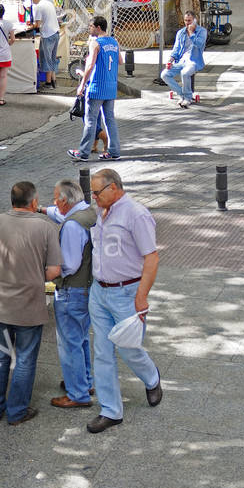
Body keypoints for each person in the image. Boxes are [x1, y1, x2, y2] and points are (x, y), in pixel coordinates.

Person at [85, 169, 162, 433]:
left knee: (129, 348)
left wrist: (142, 296)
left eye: (97, 192)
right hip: (99, 291)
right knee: (102, 351)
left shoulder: (136, 214)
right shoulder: (101, 211)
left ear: (114, 188)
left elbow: (151, 258)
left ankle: (151, 377)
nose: (94, 197)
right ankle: (110, 411)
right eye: (92, 193)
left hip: (126, 293)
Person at [0, 181, 62, 426]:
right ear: (35, 202)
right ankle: (17, 411)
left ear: (12, 201)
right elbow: (54, 270)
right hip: (28, 304)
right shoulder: (46, 228)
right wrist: (34, 276)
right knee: (25, 358)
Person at [46, 180, 96, 409]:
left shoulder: (72, 226)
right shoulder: (87, 213)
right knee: (82, 337)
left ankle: (77, 394)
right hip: (87, 287)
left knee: (69, 343)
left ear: (64, 200)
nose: (55, 202)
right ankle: (84, 382)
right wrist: (41, 210)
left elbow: (70, 264)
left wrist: (52, 274)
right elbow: (59, 215)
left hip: (71, 290)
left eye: (56, 198)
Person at [69, 15, 121, 161]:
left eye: (91, 26)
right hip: (111, 87)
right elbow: (120, 61)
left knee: (90, 120)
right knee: (110, 119)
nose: (89, 28)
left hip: (97, 87)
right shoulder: (114, 42)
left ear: (98, 27)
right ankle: (114, 151)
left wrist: (82, 84)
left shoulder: (96, 43)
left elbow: (90, 65)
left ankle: (83, 152)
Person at [161, 9, 206, 107]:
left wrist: (191, 33)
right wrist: (170, 60)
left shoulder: (202, 31)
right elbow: (176, 49)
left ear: (194, 20)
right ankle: (182, 94)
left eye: (189, 21)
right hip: (181, 61)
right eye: (185, 20)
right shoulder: (181, 33)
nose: (187, 23)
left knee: (185, 73)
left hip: (194, 61)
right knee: (164, 74)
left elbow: (199, 44)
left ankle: (188, 98)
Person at [31, 0, 61, 89]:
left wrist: (31, 25)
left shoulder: (38, 6)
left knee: (46, 59)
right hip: (56, 33)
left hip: (48, 35)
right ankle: (53, 80)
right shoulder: (49, 3)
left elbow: (37, 24)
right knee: (52, 58)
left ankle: (48, 83)